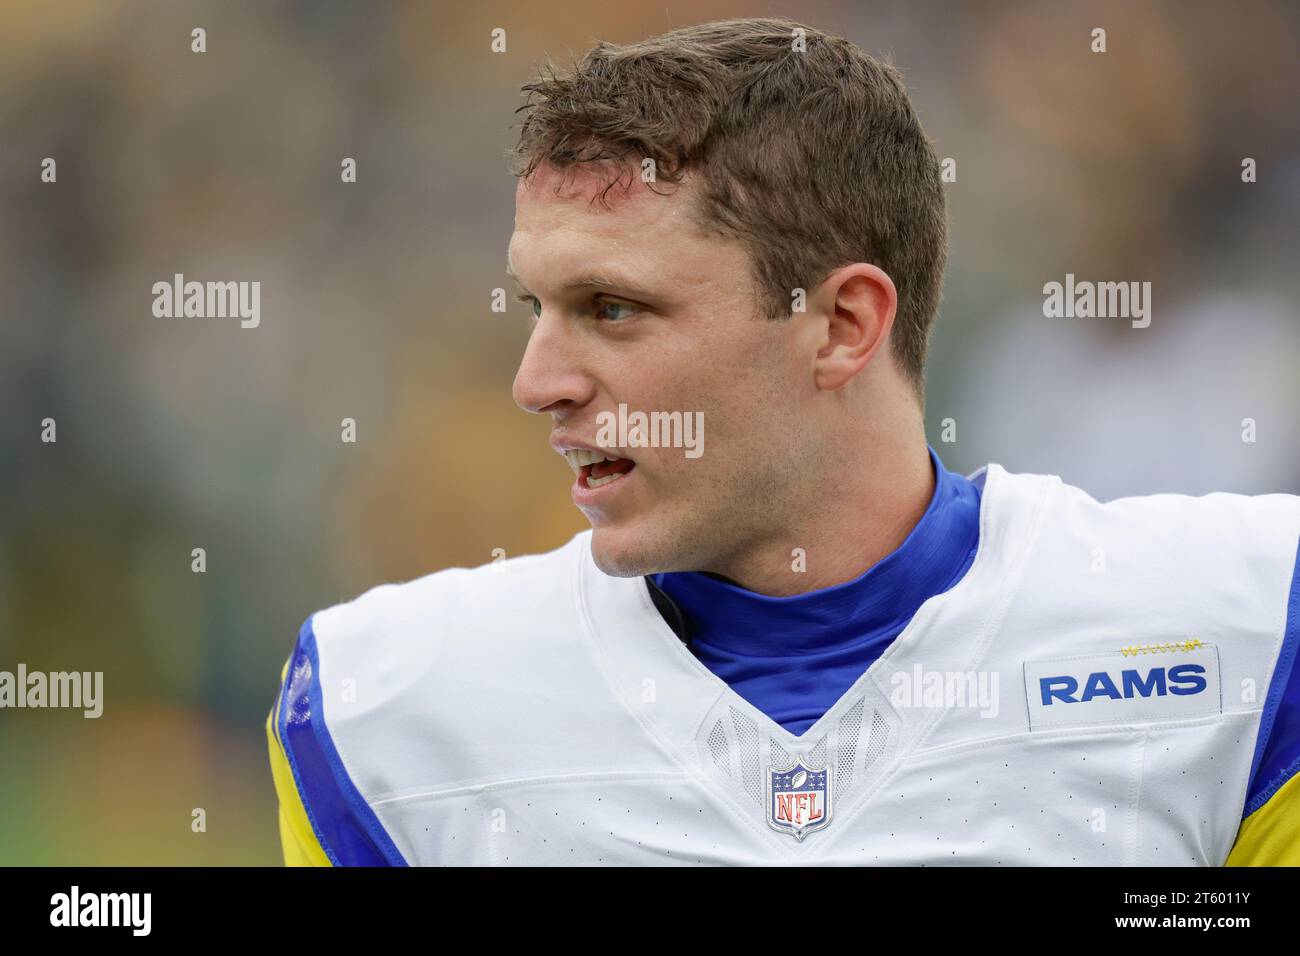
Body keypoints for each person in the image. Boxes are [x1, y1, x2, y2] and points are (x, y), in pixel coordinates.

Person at [267, 17, 1299, 865]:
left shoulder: (1241, 631)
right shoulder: (387, 714)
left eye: (613, 307)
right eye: (534, 305)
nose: (536, 383)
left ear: (843, 324)